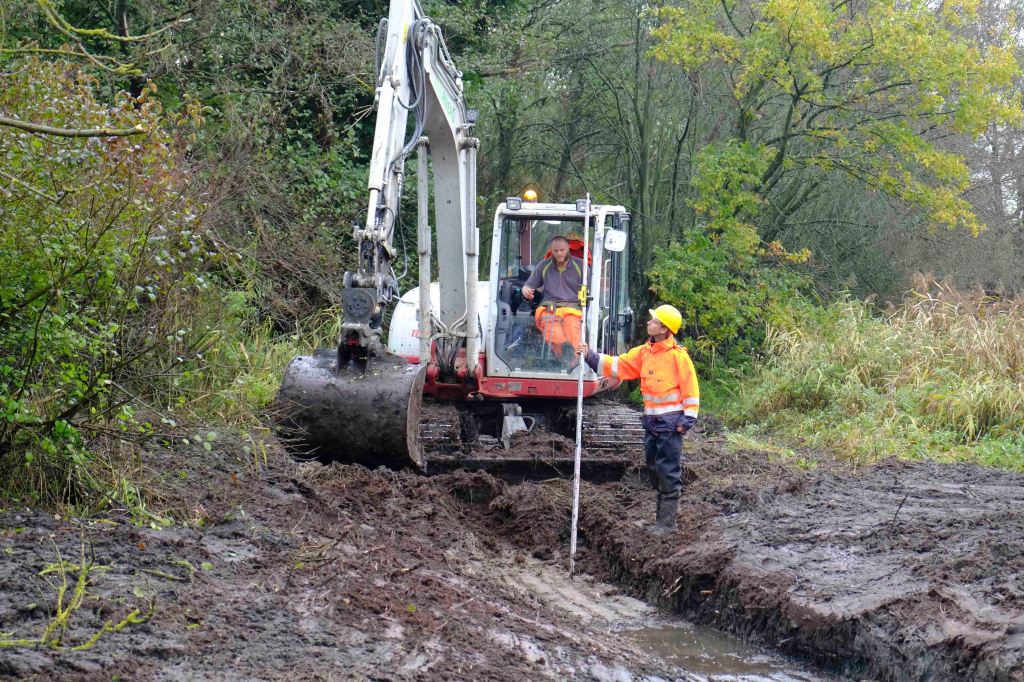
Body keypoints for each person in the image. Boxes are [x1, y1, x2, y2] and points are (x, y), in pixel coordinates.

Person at [576, 305, 699, 535]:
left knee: (667, 470)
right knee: (654, 468)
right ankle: (660, 520)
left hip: (671, 424)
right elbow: (619, 366)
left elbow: (691, 390)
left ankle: (667, 523)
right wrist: (590, 356)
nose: (649, 322)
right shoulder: (644, 352)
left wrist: (687, 419)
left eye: (653, 321)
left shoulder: (678, 357)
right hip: (651, 423)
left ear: (664, 329)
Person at [521, 236, 584, 357]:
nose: (559, 253)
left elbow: (590, 290)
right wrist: (526, 291)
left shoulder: (581, 266)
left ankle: (575, 364)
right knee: (554, 334)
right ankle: (560, 360)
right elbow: (527, 286)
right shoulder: (543, 265)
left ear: (568, 248)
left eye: (562, 250)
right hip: (549, 309)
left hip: (573, 309)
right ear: (551, 250)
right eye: (556, 251)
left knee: (573, 331)